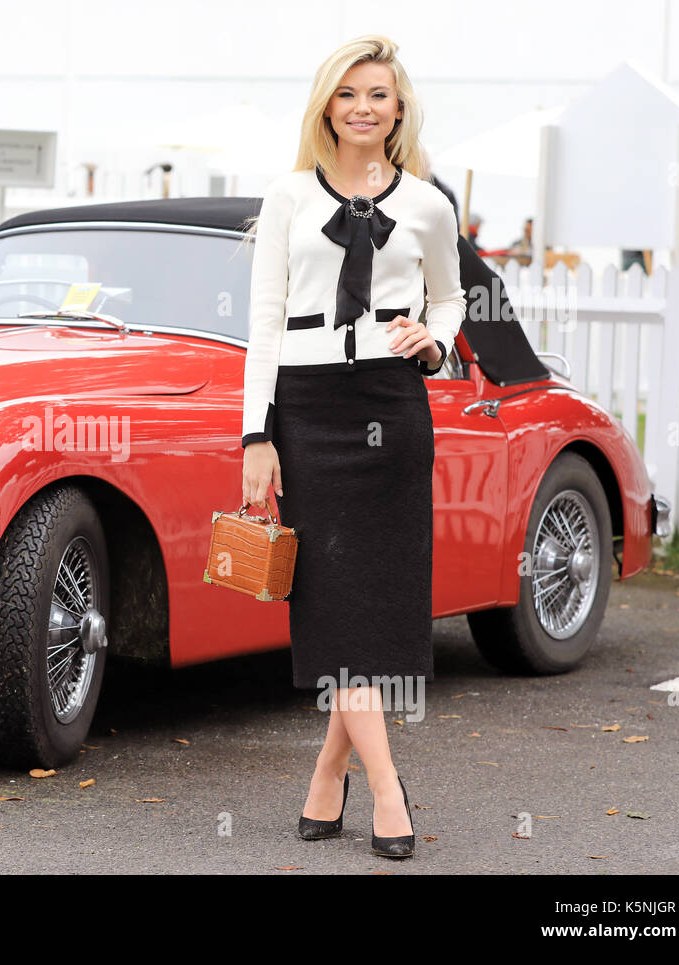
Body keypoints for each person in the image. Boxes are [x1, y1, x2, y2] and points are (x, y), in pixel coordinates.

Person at [239, 34, 465, 859]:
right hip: (307, 407)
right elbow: (263, 323)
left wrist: (433, 343)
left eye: (378, 94)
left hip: (391, 407)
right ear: (326, 107)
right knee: (332, 599)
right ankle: (383, 784)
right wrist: (256, 433)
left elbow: (451, 297)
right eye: (348, 94)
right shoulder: (289, 195)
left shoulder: (431, 205)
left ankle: (335, 775)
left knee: (377, 601)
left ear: (398, 108)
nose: (363, 107)